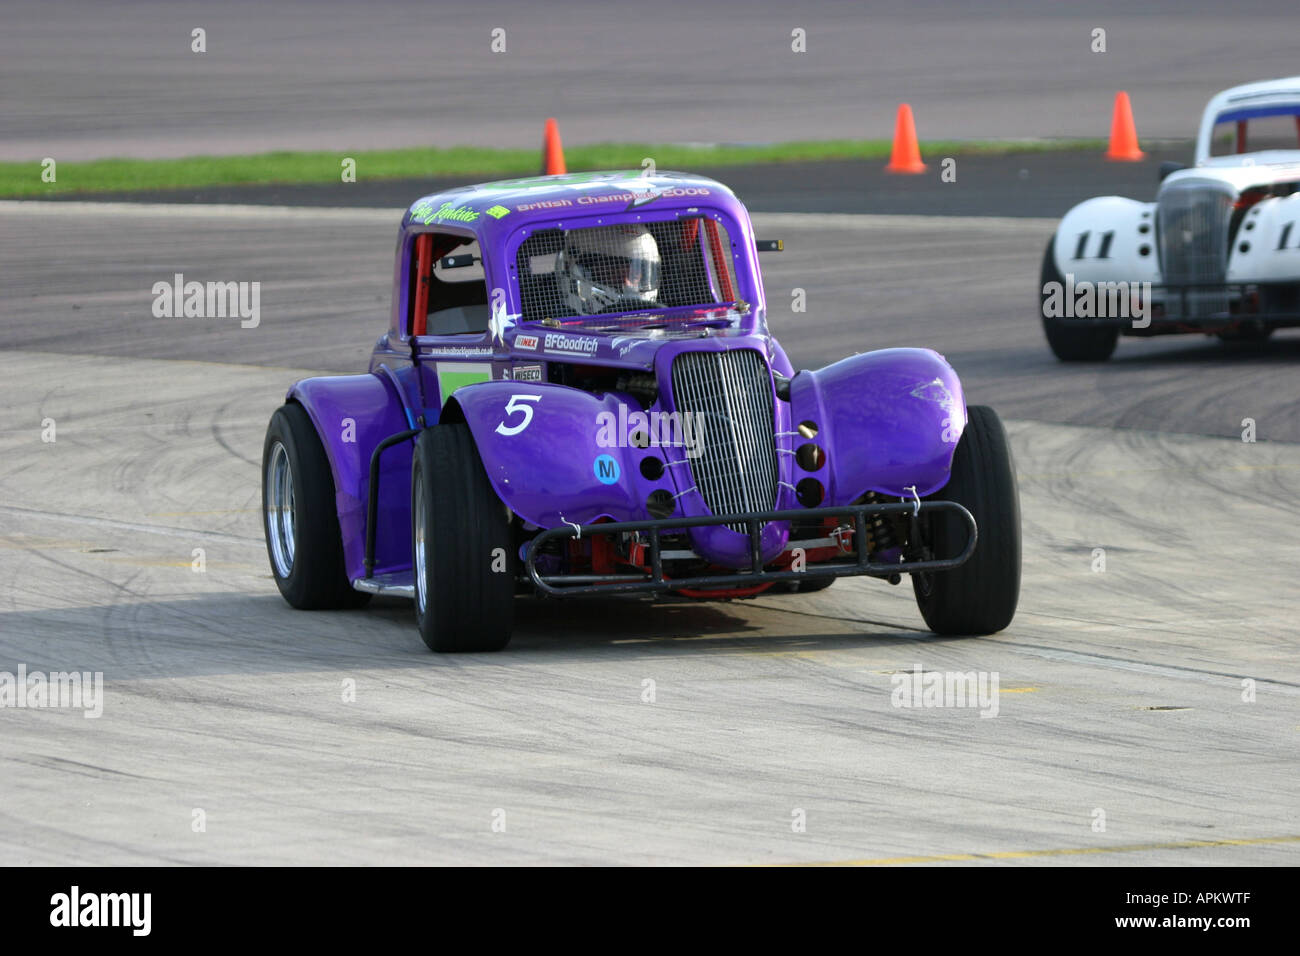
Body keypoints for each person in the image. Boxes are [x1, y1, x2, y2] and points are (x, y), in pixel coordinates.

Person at [554, 224, 661, 315]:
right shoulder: (553, 324)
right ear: (579, 271)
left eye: (634, 276)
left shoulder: (661, 321)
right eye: (614, 274)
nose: (627, 284)